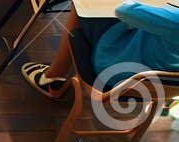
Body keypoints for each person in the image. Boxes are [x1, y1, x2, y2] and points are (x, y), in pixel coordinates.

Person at [20, 3, 179, 98]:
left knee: (81, 4)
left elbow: (125, 9)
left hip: (115, 69)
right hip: (167, 85)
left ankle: (53, 77)